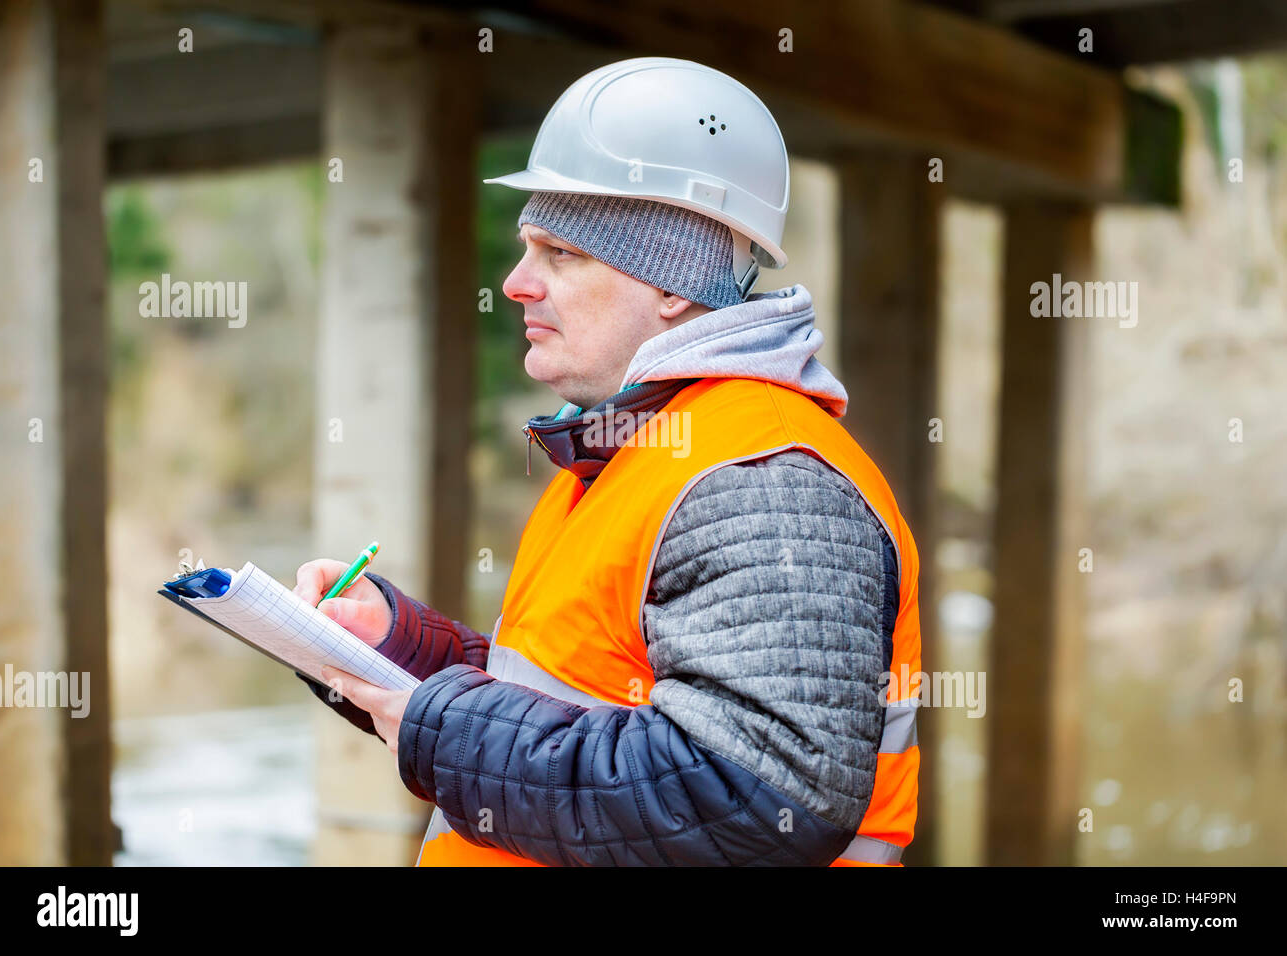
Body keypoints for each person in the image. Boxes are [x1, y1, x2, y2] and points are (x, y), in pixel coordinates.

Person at [294, 56, 922, 867]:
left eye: (560, 252)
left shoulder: (765, 481)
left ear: (671, 282)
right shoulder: (634, 450)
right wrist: (400, 649)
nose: (517, 283)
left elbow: (748, 800)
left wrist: (435, 723)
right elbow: (573, 700)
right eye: (528, 247)